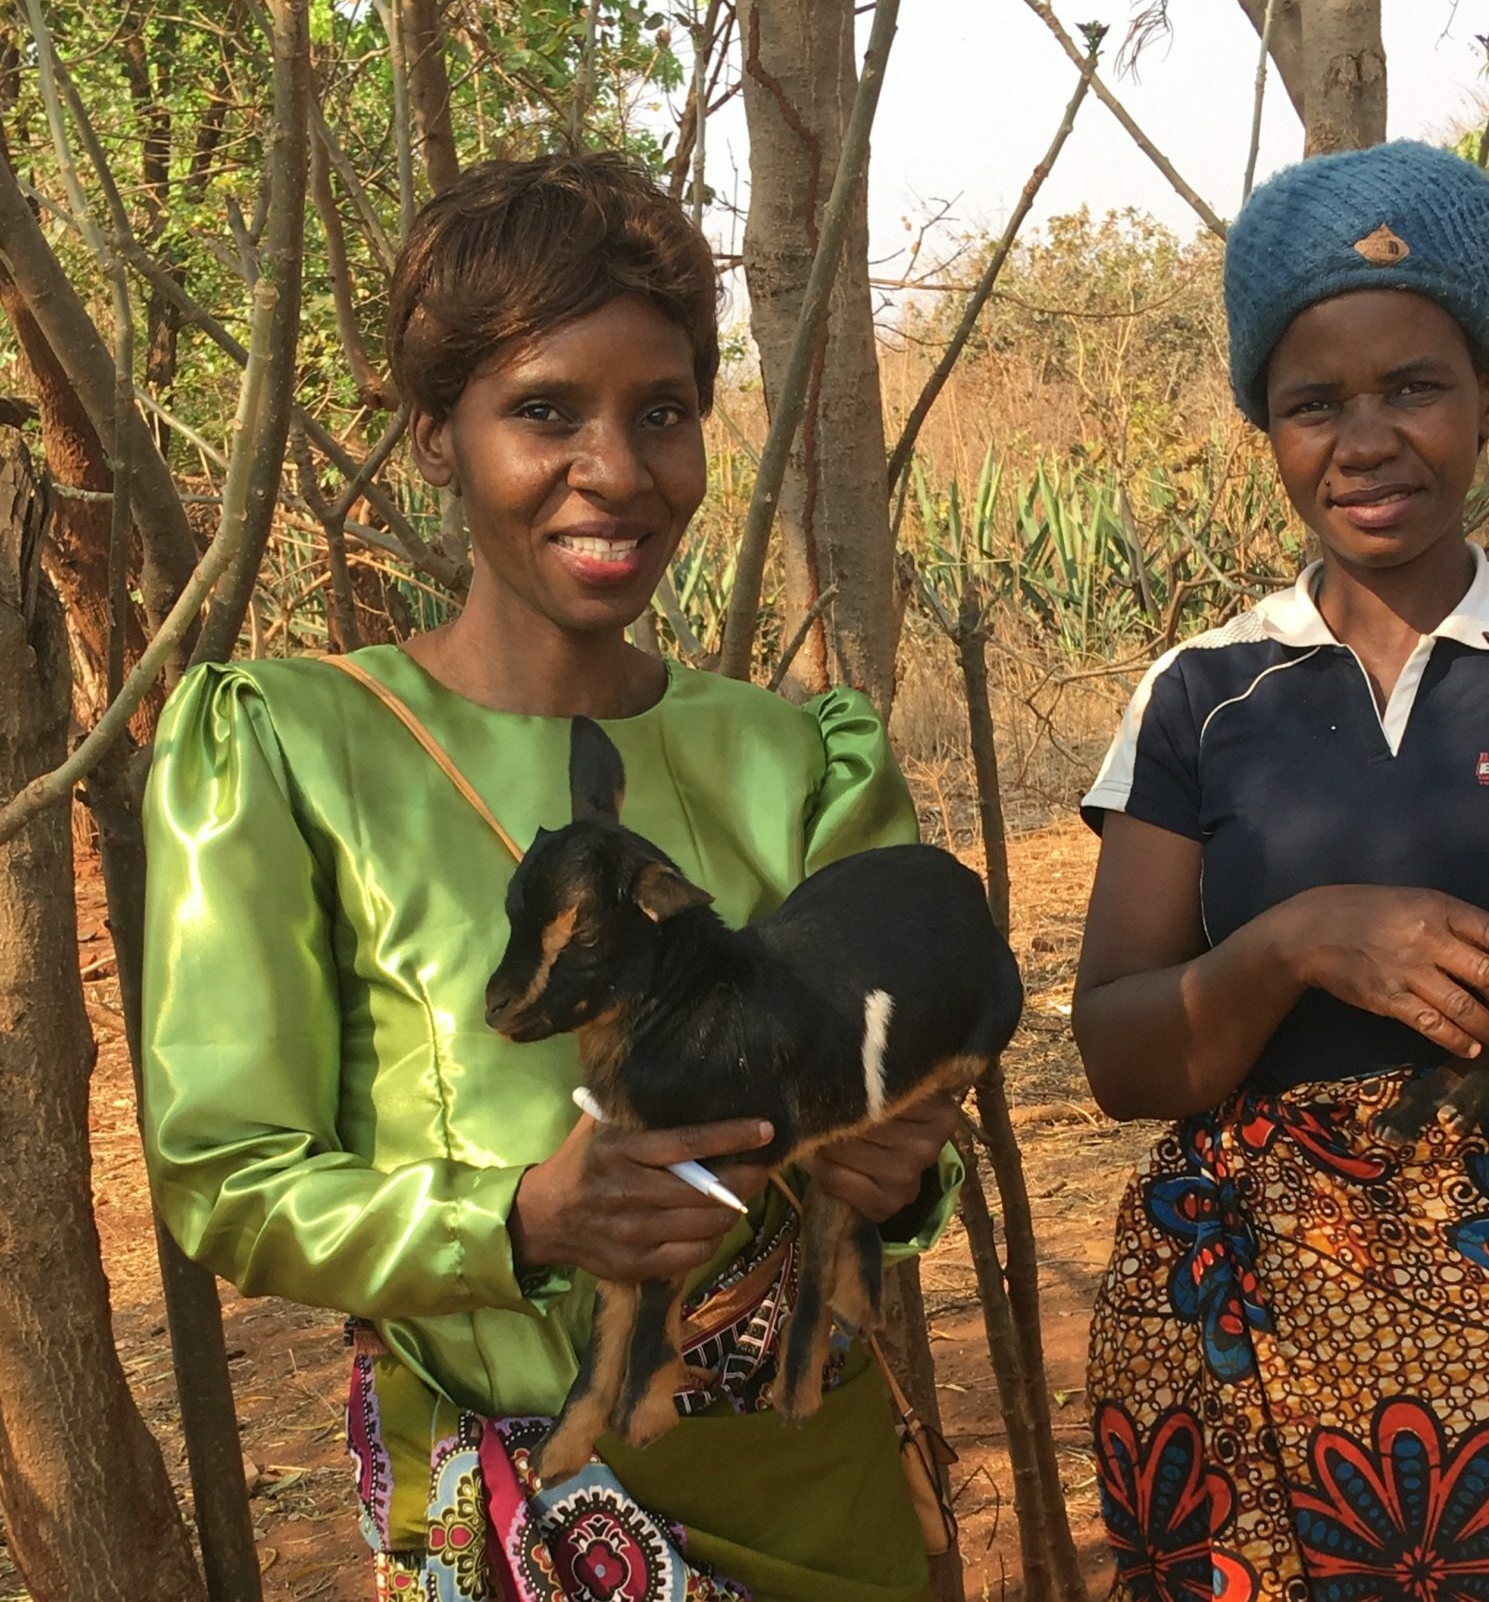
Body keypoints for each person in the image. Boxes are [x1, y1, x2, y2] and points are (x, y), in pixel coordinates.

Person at [140, 151, 961, 1602]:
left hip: (821, 1493)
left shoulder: (803, 758)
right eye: (543, 412)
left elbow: (890, 1107)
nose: (619, 472)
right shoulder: (295, 749)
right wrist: (519, 1222)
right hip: (511, 1512)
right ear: (433, 437)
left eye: (664, 413)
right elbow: (226, 1175)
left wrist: (897, 1164)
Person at [1073, 141, 1489, 1599]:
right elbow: (1122, 1059)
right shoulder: (1204, 691)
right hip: (1248, 1330)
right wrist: (1296, 942)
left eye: (1415, 387)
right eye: (1313, 401)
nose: (1365, 438)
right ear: (1265, 425)